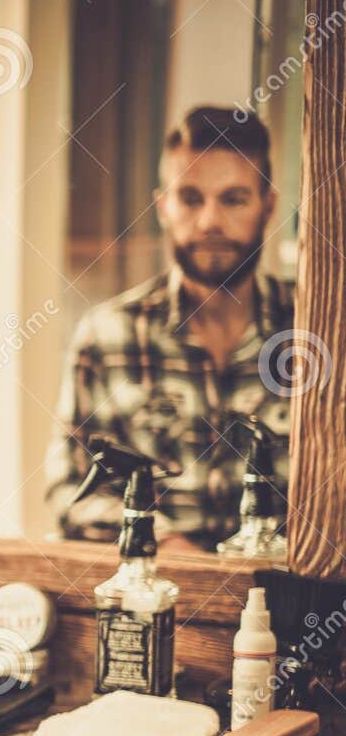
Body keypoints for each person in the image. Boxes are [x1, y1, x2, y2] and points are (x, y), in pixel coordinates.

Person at [46, 106, 294, 549]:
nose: (210, 222)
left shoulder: (322, 329)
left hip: (303, 607)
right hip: (158, 599)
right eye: (191, 198)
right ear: (163, 206)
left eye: (233, 199)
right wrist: (162, 541)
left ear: (268, 205)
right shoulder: (107, 336)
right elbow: (71, 490)